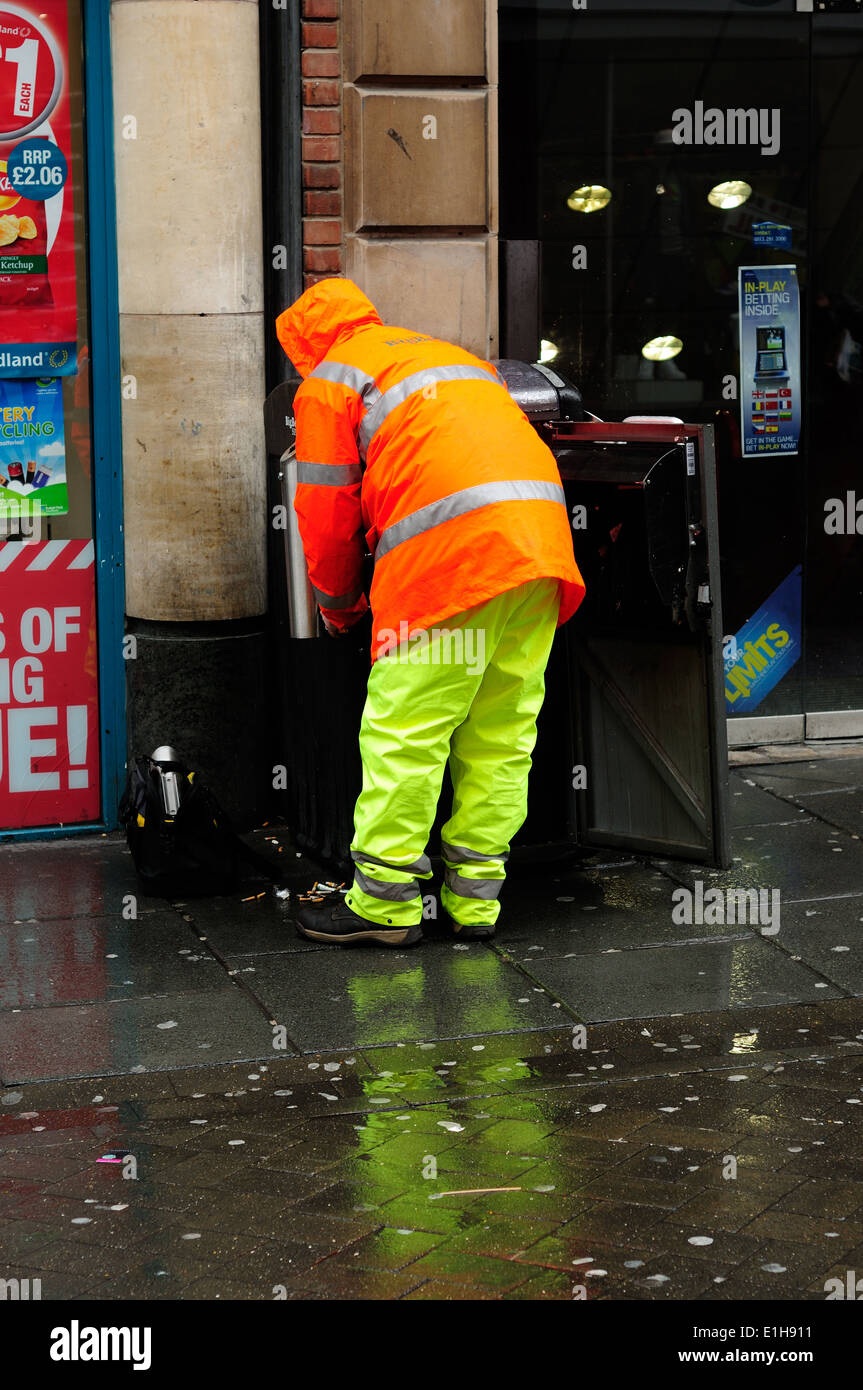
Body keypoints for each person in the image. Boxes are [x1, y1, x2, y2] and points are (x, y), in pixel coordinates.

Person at [276, 277, 585, 948]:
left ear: (303, 346)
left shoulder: (328, 381)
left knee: (407, 730)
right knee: (501, 734)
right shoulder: (445, 358)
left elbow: (325, 515)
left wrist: (338, 607)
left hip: (450, 567)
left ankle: (384, 907)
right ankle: (474, 905)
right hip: (538, 556)